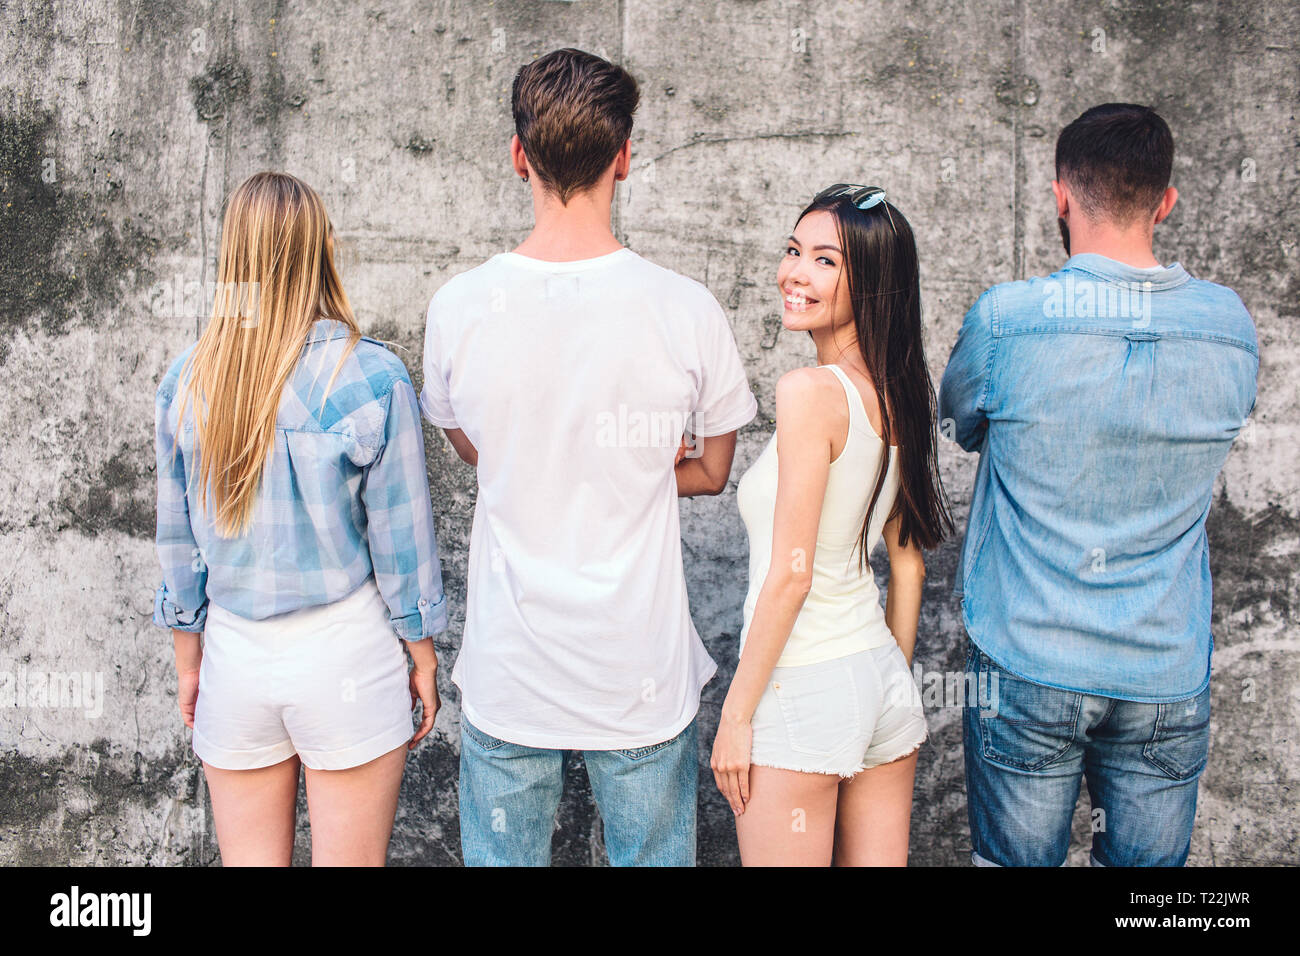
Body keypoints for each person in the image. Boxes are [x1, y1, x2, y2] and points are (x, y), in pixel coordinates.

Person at [419, 48, 757, 866]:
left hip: (510, 677)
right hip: (636, 673)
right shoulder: (686, 308)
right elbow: (711, 471)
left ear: (517, 156)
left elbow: (475, 448)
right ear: (626, 158)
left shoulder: (460, 306)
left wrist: (540, 452)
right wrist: (640, 464)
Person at [939, 104, 1259, 867]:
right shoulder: (1230, 326)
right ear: (1167, 201)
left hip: (1028, 657)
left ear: (1059, 196)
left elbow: (961, 424)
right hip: (1162, 669)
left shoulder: (1009, 321)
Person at [153, 171, 448, 866]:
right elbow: (402, 542)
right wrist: (423, 654)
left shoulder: (186, 382)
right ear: (320, 249)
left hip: (234, 656)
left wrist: (187, 661)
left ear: (235, 259)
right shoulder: (373, 377)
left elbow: (178, 545)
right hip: (344, 652)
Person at [711, 184, 953, 866]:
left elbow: (791, 577)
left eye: (825, 261)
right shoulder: (899, 392)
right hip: (879, 680)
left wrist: (735, 716)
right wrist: (886, 685)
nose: (794, 272)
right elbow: (908, 566)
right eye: (794, 251)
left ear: (871, 282)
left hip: (802, 687)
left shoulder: (809, 393)